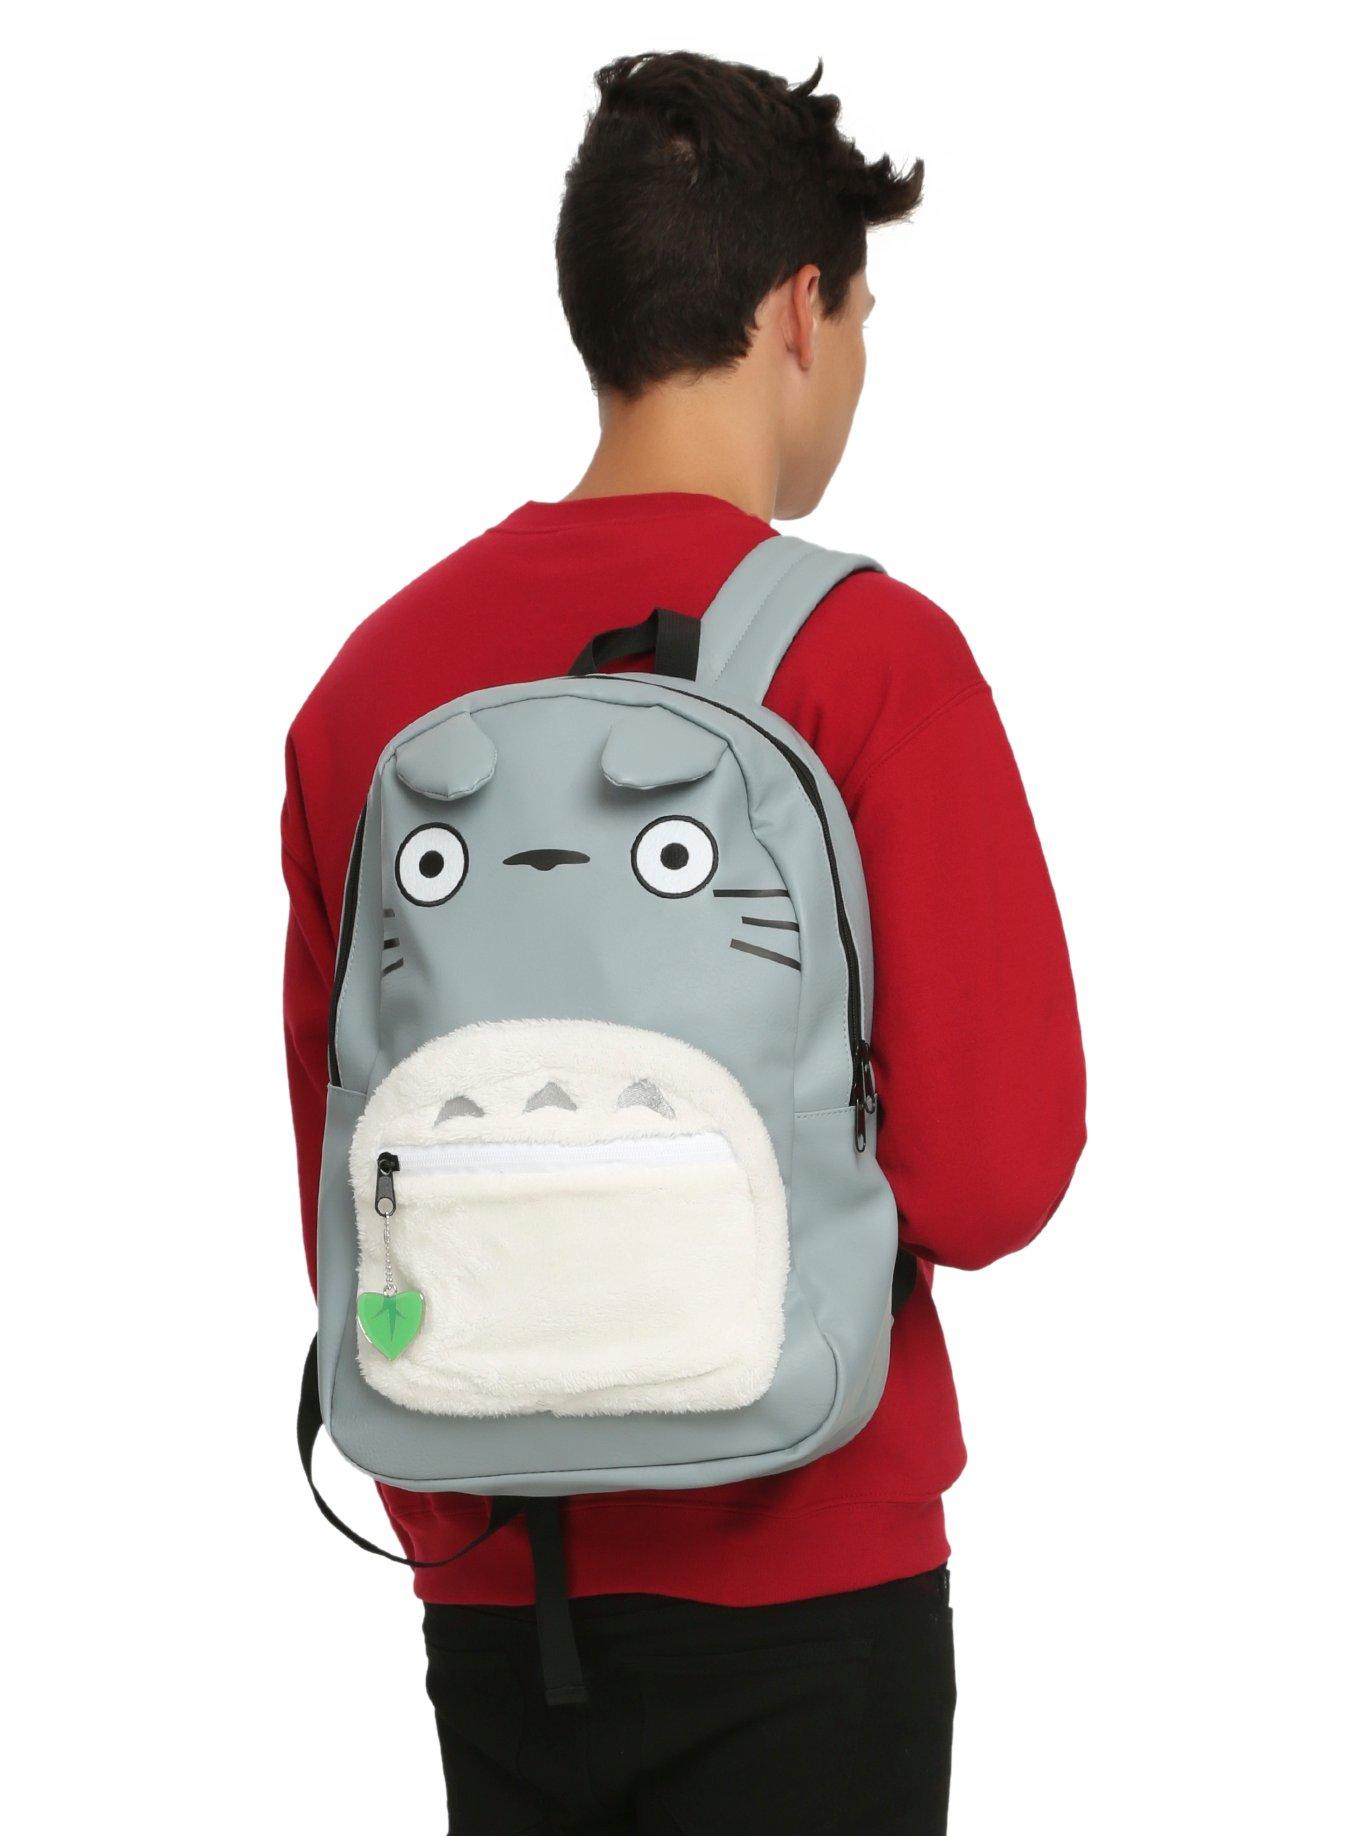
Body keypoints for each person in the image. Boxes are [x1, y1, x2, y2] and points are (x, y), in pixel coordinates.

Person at [282, 51, 1085, 1835]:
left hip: (497, 1585)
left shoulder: (372, 688)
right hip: (814, 1578)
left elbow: (340, 1171)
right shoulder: (877, 662)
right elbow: (994, 1176)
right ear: (800, 309)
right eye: (860, 321)